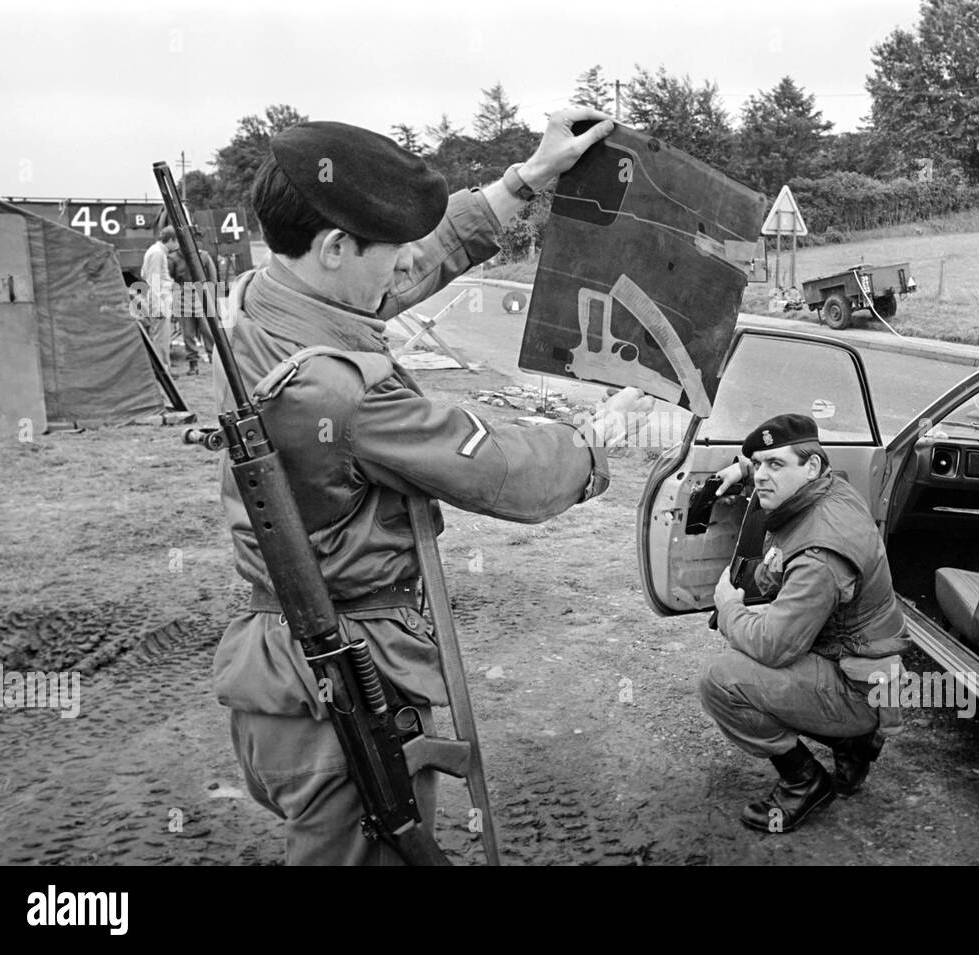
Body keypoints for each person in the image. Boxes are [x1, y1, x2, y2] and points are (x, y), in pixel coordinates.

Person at [211, 110, 645, 865]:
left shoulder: (261, 302)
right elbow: (502, 472)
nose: (406, 259)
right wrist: (591, 441)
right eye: (389, 243)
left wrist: (527, 179)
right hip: (343, 687)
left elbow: (399, 278)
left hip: (275, 674)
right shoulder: (337, 393)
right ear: (336, 246)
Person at [699, 413, 910, 833]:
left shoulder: (820, 558)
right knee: (756, 634)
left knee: (720, 678)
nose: (761, 476)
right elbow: (779, 471)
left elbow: (775, 647)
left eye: (773, 465)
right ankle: (853, 743)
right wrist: (743, 468)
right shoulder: (832, 489)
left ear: (811, 467)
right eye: (758, 464)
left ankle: (804, 780)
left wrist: (729, 609)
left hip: (860, 688)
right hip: (857, 661)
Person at [168, 242, 217, 374]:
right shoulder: (173, 258)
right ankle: (193, 364)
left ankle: (215, 360)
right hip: (182, 296)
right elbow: (169, 280)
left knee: (207, 330)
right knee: (188, 333)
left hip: (202, 295)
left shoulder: (204, 256)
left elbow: (212, 277)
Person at [141, 226, 178, 369]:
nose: (178, 245)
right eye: (177, 241)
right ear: (171, 240)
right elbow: (153, 280)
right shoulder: (157, 253)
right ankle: (162, 369)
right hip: (160, 301)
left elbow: (144, 274)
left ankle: (162, 368)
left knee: (161, 338)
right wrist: (158, 307)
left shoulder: (156, 252)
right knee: (161, 339)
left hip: (160, 299)